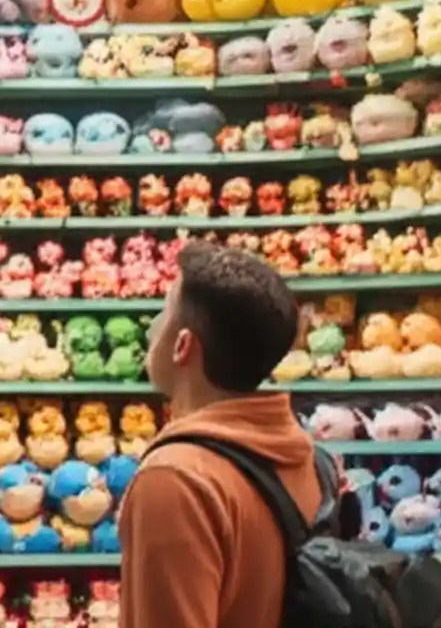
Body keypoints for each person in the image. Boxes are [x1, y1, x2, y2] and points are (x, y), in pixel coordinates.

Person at [119, 240, 322, 628]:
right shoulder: (311, 460)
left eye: (163, 314)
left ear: (182, 346)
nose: (151, 329)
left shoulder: (176, 480)